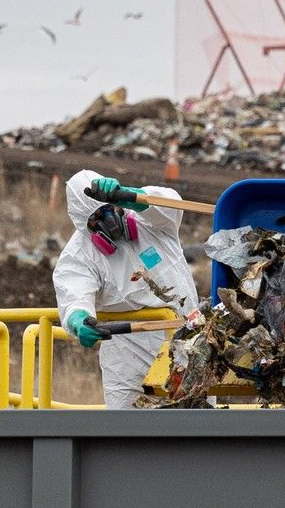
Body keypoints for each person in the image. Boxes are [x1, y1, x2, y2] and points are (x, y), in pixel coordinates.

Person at [53, 170, 197, 408]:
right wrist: (79, 320)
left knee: (200, 425)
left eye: (109, 209)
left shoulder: (150, 220)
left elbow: (171, 203)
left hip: (187, 339)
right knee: (127, 433)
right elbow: (73, 292)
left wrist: (133, 195)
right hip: (129, 354)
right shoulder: (79, 255)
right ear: (84, 226)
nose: (109, 221)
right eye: (96, 218)